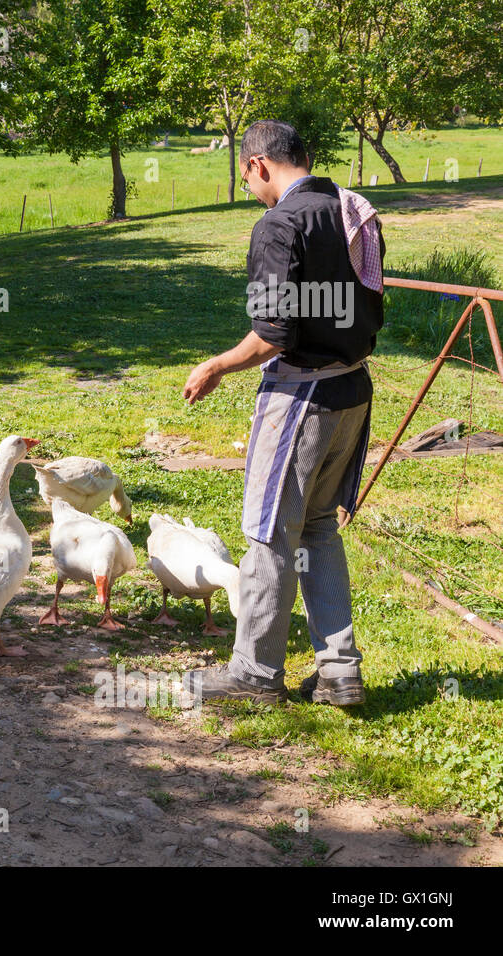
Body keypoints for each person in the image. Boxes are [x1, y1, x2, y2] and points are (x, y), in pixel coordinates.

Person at [180, 119, 384, 707]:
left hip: (302, 400)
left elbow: (272, 334)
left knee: (270, 532)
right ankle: (339, 671)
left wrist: (217, 365)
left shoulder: (279, 225)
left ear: (258, 165)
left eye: (246, 177)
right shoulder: (351, 208)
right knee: (316, 526)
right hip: (352, 391)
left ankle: (254, 674)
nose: (250, 187)